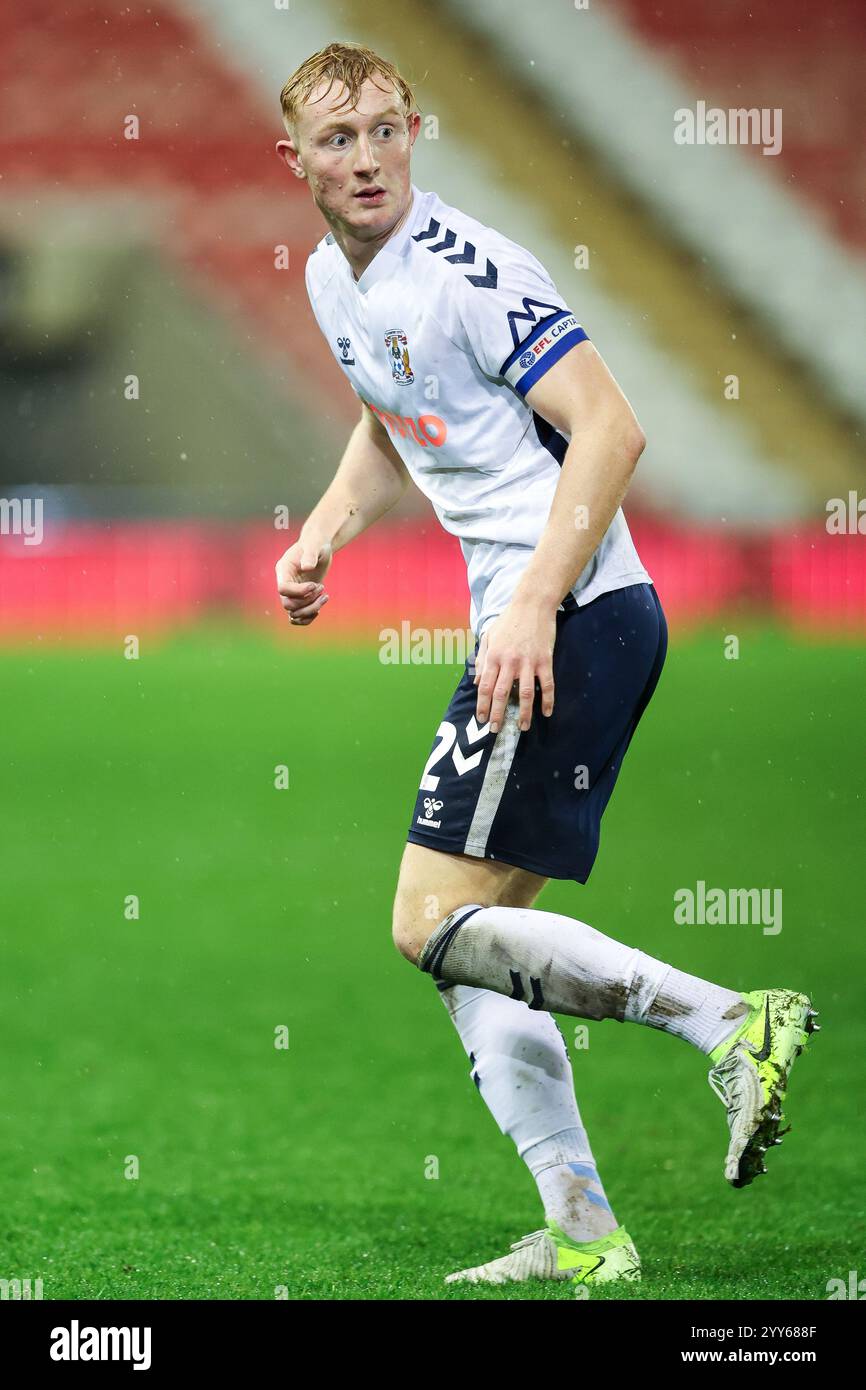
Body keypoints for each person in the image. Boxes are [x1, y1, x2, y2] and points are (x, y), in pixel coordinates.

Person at [274, 41, 817, 1288]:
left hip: (566, 619)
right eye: (337, 140)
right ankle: (582, 1229)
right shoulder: (329, 278)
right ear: (292, 159)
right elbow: (389, 417)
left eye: (382, 132)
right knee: (470, 944)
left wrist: (528, 600)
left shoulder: (468, 271)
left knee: (426, 922)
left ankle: (726, 1020)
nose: (365, 161)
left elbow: (612, 426)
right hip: (551, 621)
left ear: (415, 130)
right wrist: (320, 533)